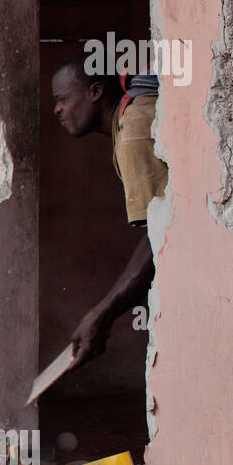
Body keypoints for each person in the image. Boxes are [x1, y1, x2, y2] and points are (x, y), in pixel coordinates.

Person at [50, 49, 169, 369]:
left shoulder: (132, 132)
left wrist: (101, 314)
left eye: (63, 99)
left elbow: (162, 236)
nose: (57, 110)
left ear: (96, 91)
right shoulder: (125, 124)